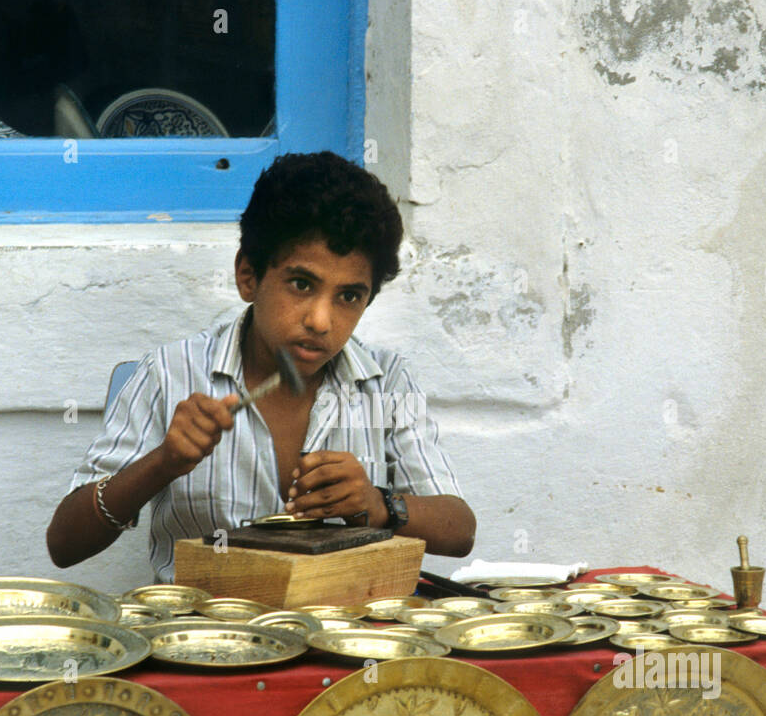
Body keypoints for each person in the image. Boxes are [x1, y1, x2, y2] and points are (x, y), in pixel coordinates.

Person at [46, 151, 476, 580]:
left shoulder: (387, 382)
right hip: (204, 635)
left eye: (348, 296)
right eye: (301, 284)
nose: (321, 321)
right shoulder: (170, 374)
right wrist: (163, 463)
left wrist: (378, 504)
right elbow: (64, 544)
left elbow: (459, 531)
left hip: (346, 634)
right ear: (248, 276)